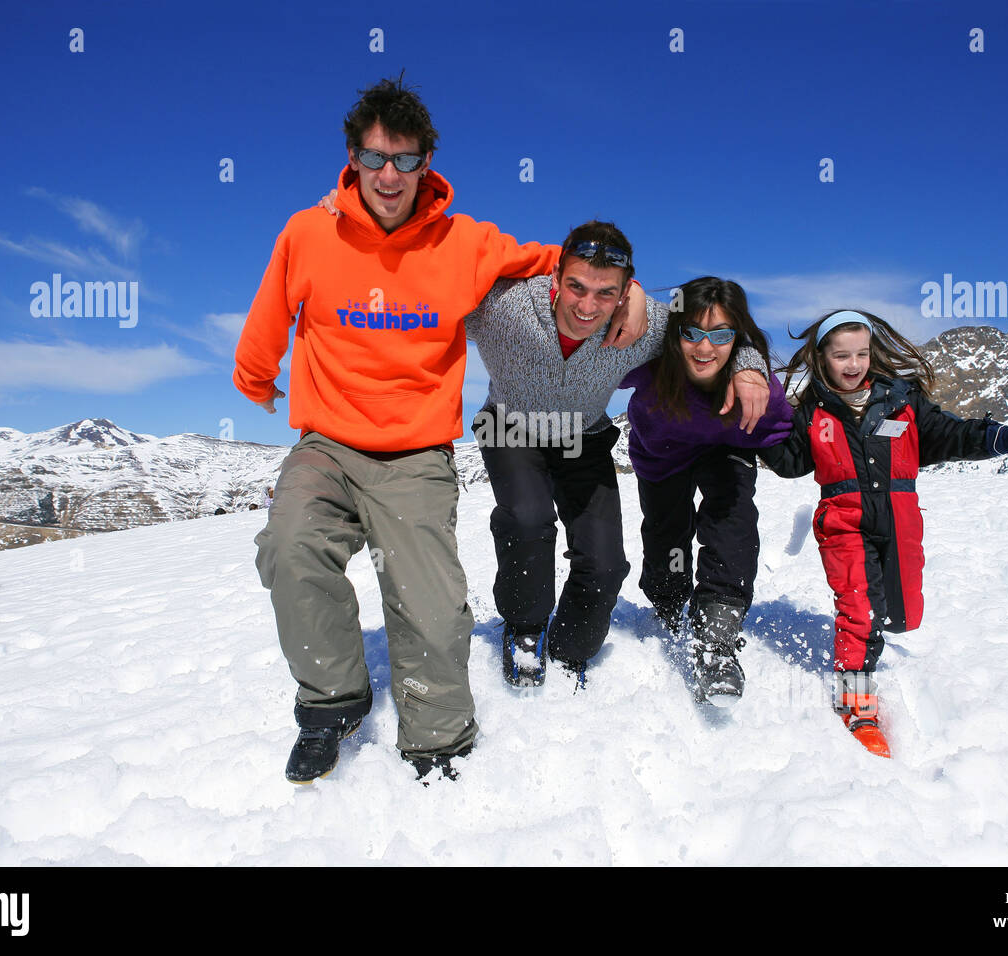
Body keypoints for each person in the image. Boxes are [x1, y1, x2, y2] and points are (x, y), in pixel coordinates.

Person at [232, 76, 645, 785]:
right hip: (327, 443)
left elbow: (561, 262)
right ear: (352, 159)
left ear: (428, 162)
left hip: (416, 453)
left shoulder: (467, 244)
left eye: (406, 159)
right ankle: (332, 701)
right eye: (374, 157)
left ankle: (440, 738)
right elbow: (269, 312)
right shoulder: (308, 232)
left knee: (429, 605)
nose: (389, 174)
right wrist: (255, 375)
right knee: (290, 546)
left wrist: (629, 288)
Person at [465, 224, 773, 690]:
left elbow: (717, 327)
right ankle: (526, 628)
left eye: (606, 293)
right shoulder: (503, 307)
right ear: (556, 277)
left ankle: (571, 647)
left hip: (583, 436)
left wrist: (749, 368)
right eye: (577, 287)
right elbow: (428, 299)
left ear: (625, 289)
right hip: (511, 427)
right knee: (528, 520)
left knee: (606, 564)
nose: (588, 307)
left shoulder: (645, 319)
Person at [758, 310, 1008, 757]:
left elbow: (951, 435)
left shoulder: (903, 402)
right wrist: (759, 423)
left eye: (861, 353)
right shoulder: (813, 413)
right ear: (821, 358)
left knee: (901, 613)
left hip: (900, 521)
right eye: (841, 355)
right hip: (844, 522)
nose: (853, 363)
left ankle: (870, 636)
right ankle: (857, 705)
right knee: (859, 607)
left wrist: (1005, 438)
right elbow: (789, 462)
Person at [618, 277, 793, 705]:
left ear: (737, 338)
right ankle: (667, 602)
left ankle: (717, 633)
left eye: (720, 335)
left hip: (725, 449)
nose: (704, 347)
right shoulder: (654, 359)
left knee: (730, 522)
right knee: (667, 534)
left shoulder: (756, 388)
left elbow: (787, 435)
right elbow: (598, 346)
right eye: (692, 332)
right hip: (662, 455)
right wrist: (633, 296)